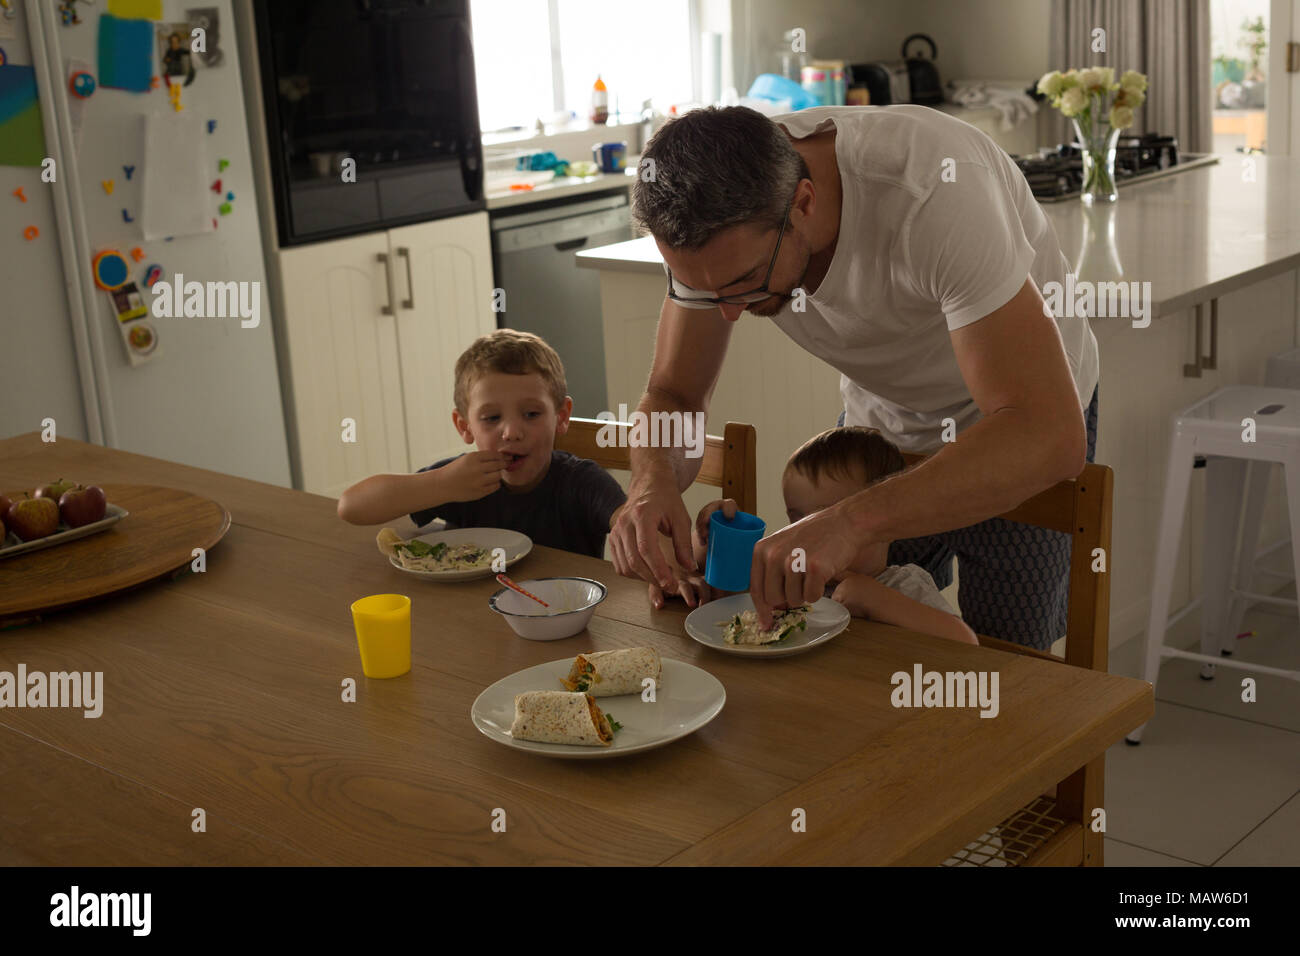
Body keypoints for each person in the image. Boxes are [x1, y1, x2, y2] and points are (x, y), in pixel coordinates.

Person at [609, 104, 1099, 651]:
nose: (725, 312)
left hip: (1019, 421)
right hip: (885, 425)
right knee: (858, 648)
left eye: (747, 282)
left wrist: (849, 523)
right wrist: (651, 482)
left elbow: (1047, 432)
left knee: (1011, 666)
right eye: (703, 291)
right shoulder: (720, 232)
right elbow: (674, 393)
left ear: (804, 203)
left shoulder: (932, 191)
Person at [657, 427, 979, 646]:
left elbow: (965, 642)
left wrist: (875, 601)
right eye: (798, 520)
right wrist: (709, 541)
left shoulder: (902, 585)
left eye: (826, 520)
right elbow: (727, 597)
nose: (809, 536)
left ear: (884, 524)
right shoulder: (789, 578)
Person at [338, 329, 626, 558]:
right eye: (492, 418)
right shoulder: (459, 480)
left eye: (531, 414)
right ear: (464, 426)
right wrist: (441, 484)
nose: (512, 432)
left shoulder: (581, 483)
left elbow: (634, 526)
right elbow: (351, 507)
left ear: (561, 417)